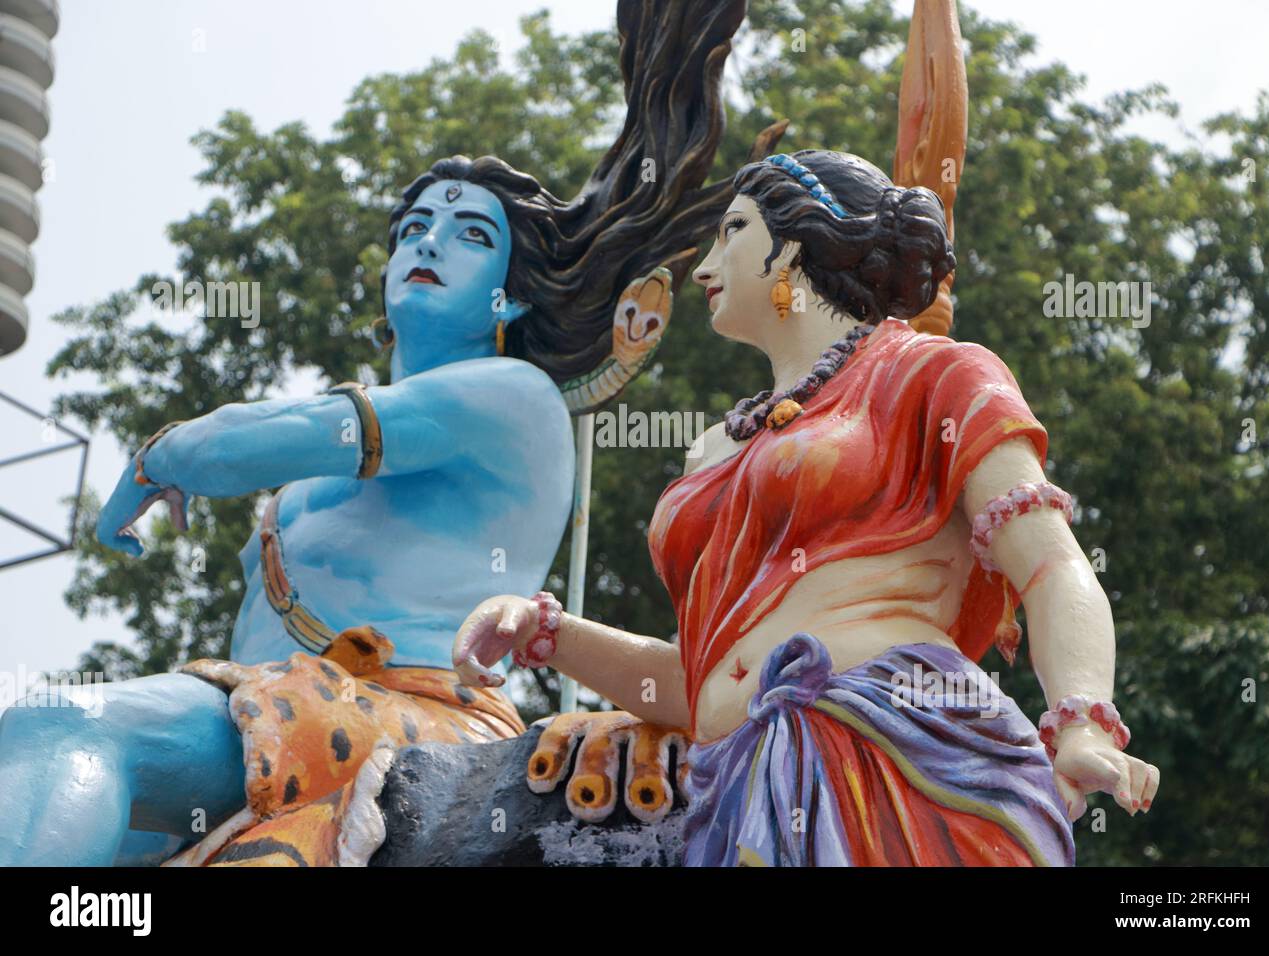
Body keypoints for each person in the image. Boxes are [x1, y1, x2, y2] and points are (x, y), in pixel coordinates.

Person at [0, 0, 755, 867]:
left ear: (507, 295)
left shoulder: (512, 398)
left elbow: (254, 442)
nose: (429, 241)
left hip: (408, 722)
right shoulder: (323, 475)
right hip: (254, 726)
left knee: (63, 725)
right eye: (412, 229)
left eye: (471, 234)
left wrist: (162, 455)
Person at [453, 149, 1161, 866]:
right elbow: (697, 685)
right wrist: (543, 630)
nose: (702, 268)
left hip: (906, 761)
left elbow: (1049, 563)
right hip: (732, 793)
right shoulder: (709, 454)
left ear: (793, 242)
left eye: (732, 231)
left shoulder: (935, 372)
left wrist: (1082, 722)